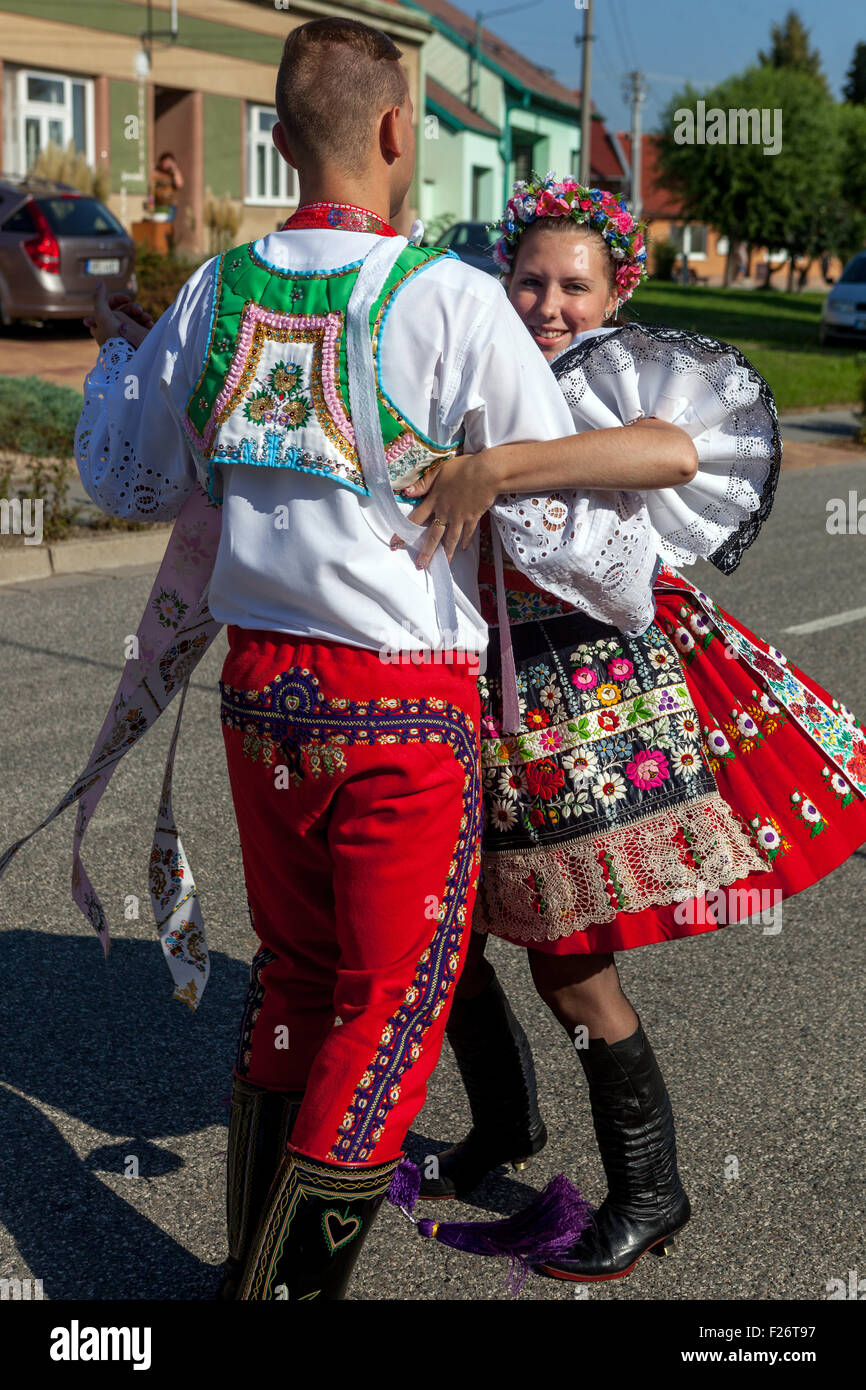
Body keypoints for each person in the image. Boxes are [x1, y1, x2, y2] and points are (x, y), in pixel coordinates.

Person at [0, 28, 667, 1302]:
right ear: (395, 132)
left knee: (300, 985)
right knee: (386, 1011)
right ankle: (282, 1299)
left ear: (284, 131)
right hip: (401, 715)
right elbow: (577, 551)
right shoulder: (451, 298)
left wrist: (121, 357)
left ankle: (243, 1272)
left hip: (264, 707)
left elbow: (128, 472)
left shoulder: (216, 285)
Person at [393, 173, 866, 1283]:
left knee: (568, 965)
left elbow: (667, 453)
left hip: (591, 700)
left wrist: (498, 465)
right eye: (528, 279)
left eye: (572, 284)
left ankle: (649, 1191)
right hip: (484, 693)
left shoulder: (610, 377)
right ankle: (505, 1125)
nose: (546, 303)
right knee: (449, 929)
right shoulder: (480, 368)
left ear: (616, 292)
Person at [150, 151, 184, 222]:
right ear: (161, 161)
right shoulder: (156, 173)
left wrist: (174, 169)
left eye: (169, 162)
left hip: (170, 206)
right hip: (157, 206)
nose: (167, 164)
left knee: (166, 227)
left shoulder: (173, 174)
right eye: (165, 161)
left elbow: (180, 184)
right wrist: (150, 204)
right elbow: (150, 190)